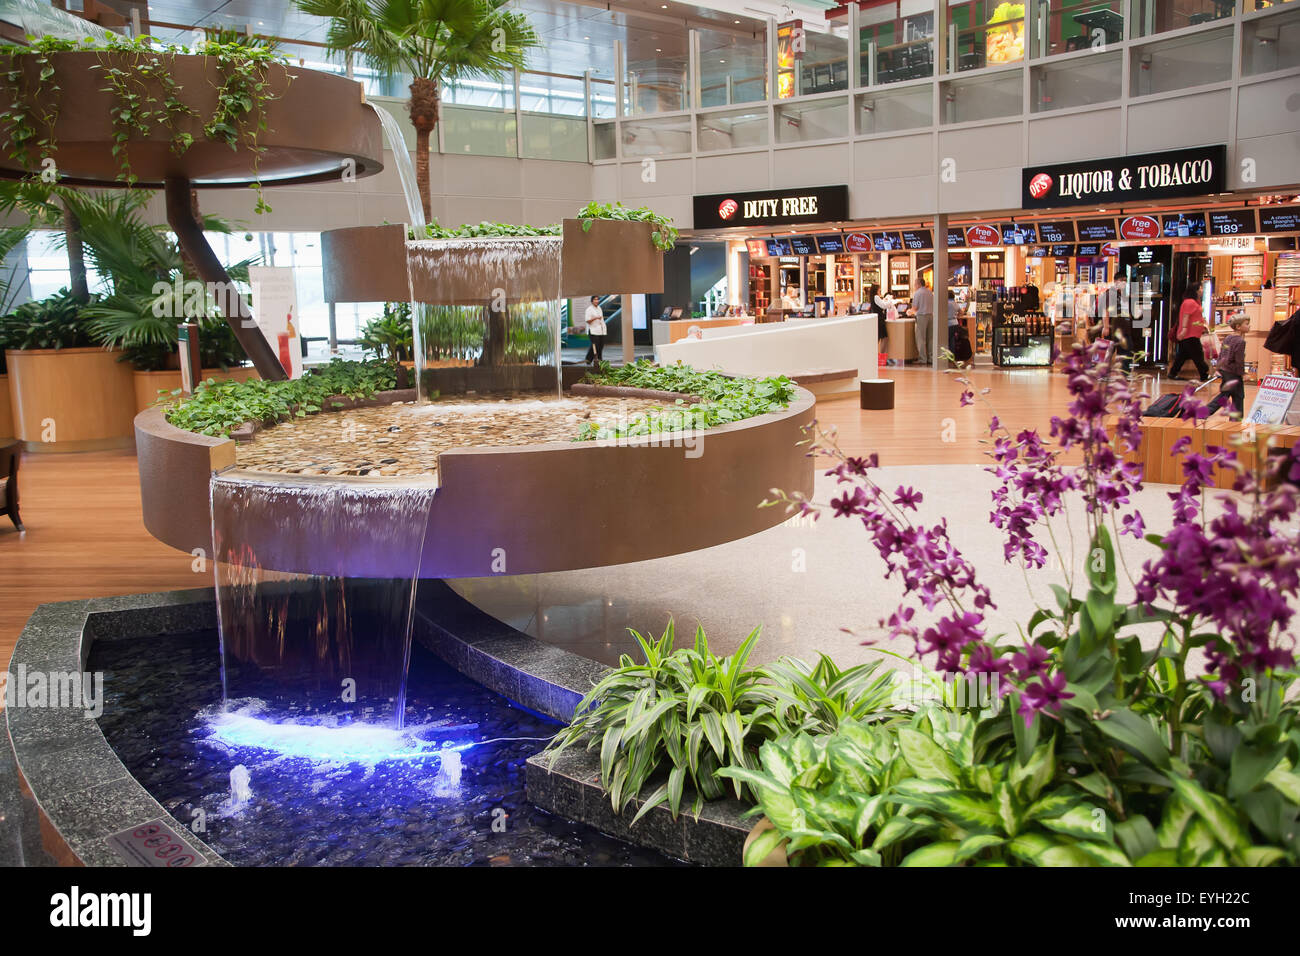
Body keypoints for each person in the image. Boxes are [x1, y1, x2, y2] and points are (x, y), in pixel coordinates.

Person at [1208, 313, 1250, 417]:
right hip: (1234, 373)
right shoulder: (1240, 341)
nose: (1249, 326)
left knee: (1227, 394)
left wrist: (1218, 368)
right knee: (1238, 396)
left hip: (1225, 370)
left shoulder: (1228, 338)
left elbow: (1222, 354)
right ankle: (1236, 419)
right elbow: (1239, 360)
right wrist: (1243, 374)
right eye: (1247, 324)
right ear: (1238, 327)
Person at [1168, 283, 1210, 381]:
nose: (1202, 290)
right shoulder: (1190, 302)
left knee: (1182, 355)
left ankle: (1173, 373)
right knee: (1198, 354)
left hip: (1192, 333)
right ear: (1196, 290)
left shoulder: (1195, 302)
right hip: (1189, 334)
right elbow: (1186, 316)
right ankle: (1204, 373)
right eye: (1200, 288)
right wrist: (1184, 329)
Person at [910, 276, 934, 364]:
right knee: (930, 338)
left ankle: (922, 359)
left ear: (918, 284)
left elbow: (915, 307)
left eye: (915, 284)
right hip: (931, 316)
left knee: (921, 338)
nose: (914, 286)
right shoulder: (930, 292)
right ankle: (931, 358)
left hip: (921, 317)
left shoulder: (917, 293)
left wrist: (910, 311)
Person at [583, 295, 606, 365]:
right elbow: (588, 321)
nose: (596, 301)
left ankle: (599, 359)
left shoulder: (599, 308)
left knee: (601, 345)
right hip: (593, 330)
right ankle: (588, 359)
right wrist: (595, 318)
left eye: (597, 299)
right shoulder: (589, 309)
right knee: (595, 345)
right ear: (592, 301)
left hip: (601, 330)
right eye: (595, 299)